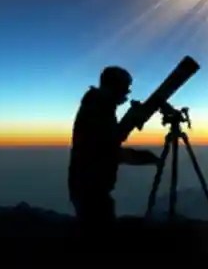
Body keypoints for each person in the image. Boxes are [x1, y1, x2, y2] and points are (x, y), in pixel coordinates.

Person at [68, 66, 161, 253]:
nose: (127, 92)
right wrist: (145, 157)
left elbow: (110, 140)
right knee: (101, 240)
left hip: (88, 188)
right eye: (125, 87)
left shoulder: (99, 106)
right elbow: (106, 150)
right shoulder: (98, 109)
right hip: (91, 190)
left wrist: (130, 119)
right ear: (114, 86)